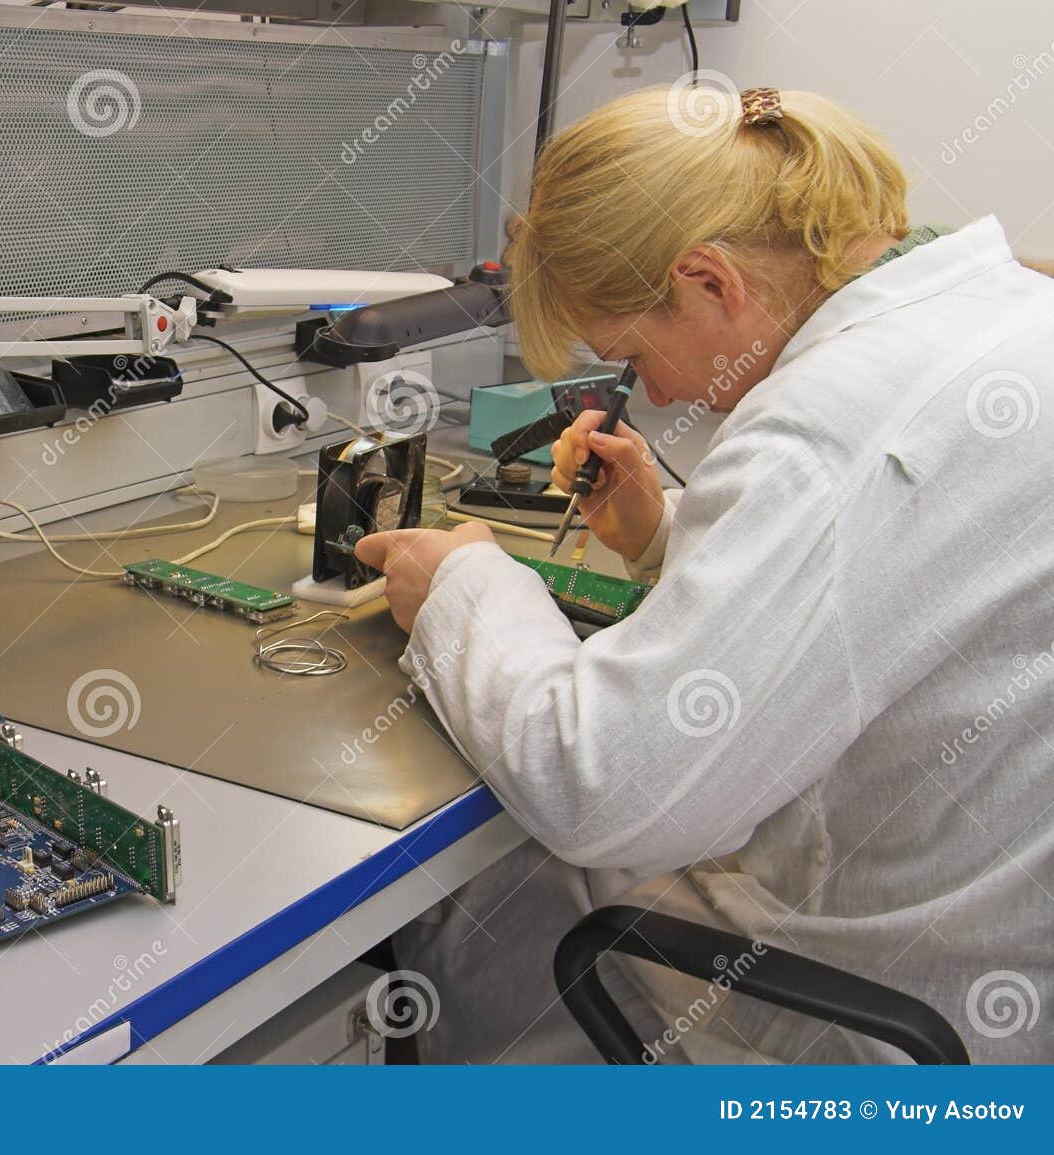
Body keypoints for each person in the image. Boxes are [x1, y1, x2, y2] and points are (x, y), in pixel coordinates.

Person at [354, 86, 1054, 1064]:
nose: (661, 394)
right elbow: (895, 581)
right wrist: (664, 538)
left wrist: (467, 586)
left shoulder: (826, 425)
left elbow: (601, 793)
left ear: (708, 282)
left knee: (493, 890)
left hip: (892, 1020)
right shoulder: (1006, 312)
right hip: (1001, 966)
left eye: (632, 355)